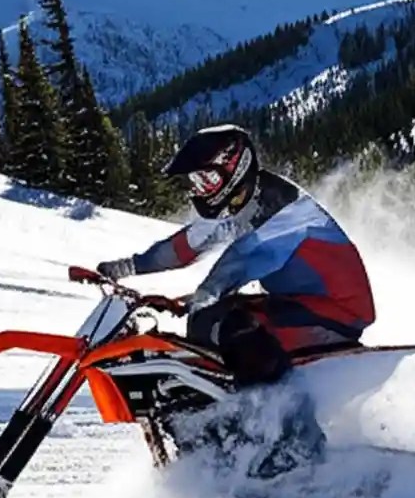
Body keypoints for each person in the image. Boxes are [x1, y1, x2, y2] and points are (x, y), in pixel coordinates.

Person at [96, 124, 376, 388]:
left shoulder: (280, 207)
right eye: (196, 181)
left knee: (226, 327)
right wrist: (128, 266)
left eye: (207, 179)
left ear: (235, 168)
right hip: (300, 301)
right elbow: (188, 244)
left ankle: (274, 419)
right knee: (211, 322)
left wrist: (203, 298)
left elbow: (240, 261)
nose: (200, 189)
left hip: (338, 312)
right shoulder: (242, 200)